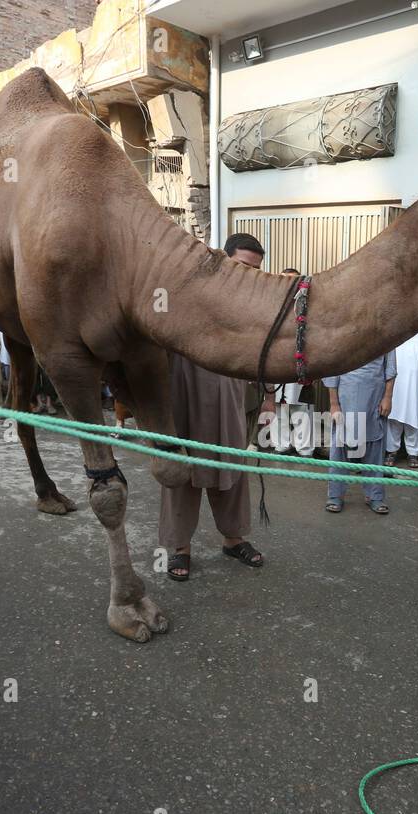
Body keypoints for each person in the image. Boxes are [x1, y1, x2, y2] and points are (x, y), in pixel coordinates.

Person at [158, 234, 266, 582]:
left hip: (230, 397)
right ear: (225, 258)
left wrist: (267, 401)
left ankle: (233, 540)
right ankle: (179, 549)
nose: (251, 275)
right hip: (185, 391)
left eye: (257, 269)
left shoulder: (250, 306)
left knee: (232, 469)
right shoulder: (188, 290)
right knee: (182, 471)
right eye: (244, 266)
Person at [324, 348, 397, 515]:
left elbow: (391, 368)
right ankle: (335, 494)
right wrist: (334, 403)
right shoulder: (343, 328)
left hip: (375, 396)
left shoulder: (385, 331)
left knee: (375, 444)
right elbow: (332, 368)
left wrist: (388, 397)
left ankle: (375, 495)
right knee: (339, 446)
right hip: (345, 394)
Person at [266, 267, 315, 457]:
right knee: (278, 406)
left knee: (301, 407)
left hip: (300, 365)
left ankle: (304, 448)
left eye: (292, 280)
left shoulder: (306, 305)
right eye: (283, 279)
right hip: (276, 365)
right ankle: (281, 445)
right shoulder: (271, 305)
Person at [386, 325, 418, 467]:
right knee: (392, 415)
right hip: (394, 380)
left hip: (417, 382)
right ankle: (391, 451)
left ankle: (413, 453)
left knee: (415, 415)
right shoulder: (394, 327)